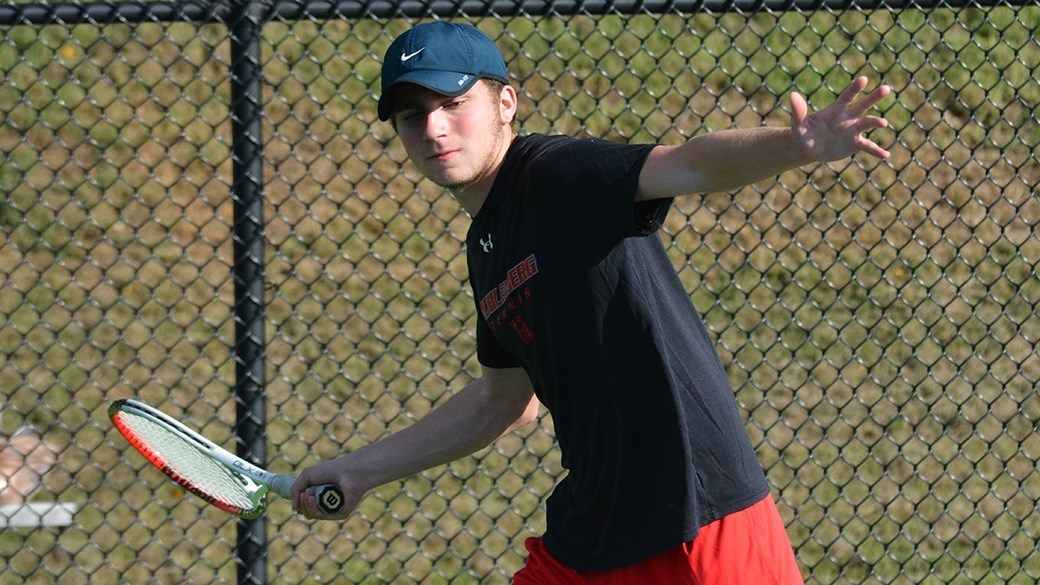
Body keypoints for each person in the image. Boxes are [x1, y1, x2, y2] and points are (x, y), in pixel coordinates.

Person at [292, 20, 891, 583]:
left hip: (698, 517)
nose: (433, 128)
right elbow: (503, 402)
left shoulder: (556, 174)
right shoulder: (487, 246)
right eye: (412, 115)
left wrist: (796, 145)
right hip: (593, 535)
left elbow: (688, 165)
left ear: (505, 104)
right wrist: (359, 470)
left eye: (452, 103)